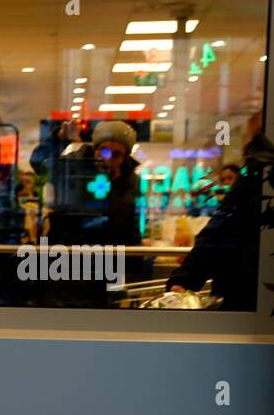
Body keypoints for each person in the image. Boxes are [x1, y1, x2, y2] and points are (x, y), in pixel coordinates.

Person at [30, 118, 145, 305]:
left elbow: (130, 225)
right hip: (64, 262)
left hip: (106, 269)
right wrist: (59, 139)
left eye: (117, 155)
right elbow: (38, 163)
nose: (108, 159)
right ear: (95, 147)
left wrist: (134, 263)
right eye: (104, 151)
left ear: (125, 157)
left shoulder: (130, 182)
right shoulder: (72, 166)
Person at [168, 113, 274, 312]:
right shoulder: (256, 176)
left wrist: (185, 277)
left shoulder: (256, 175)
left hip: (241, 300)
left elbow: (219, 232)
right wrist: (186, 276)